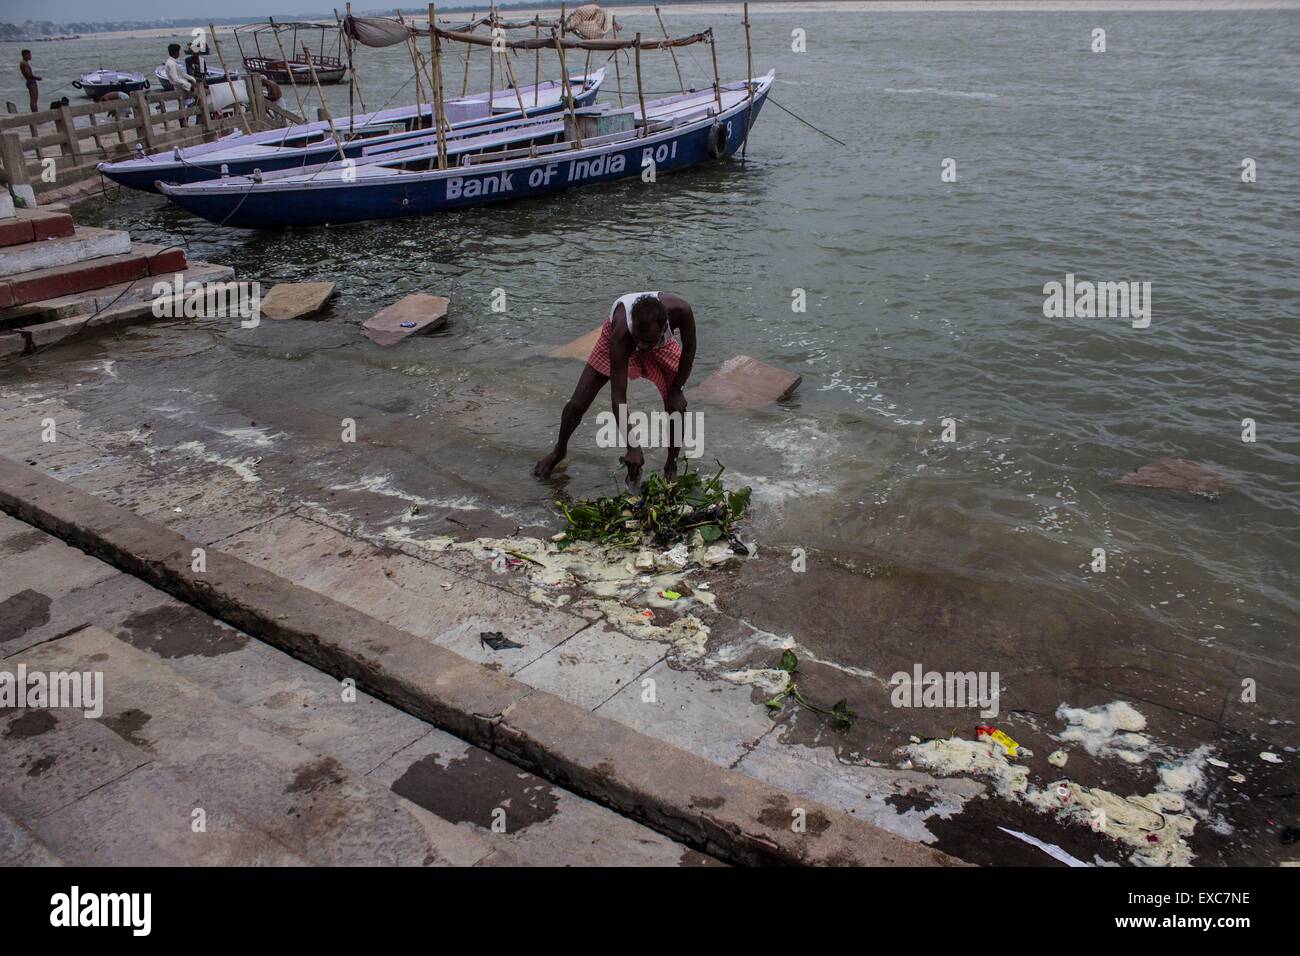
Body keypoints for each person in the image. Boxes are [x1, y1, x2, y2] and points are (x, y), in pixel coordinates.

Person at [535, 292, 696, 484]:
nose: (642, 347)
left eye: (648, 342)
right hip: (623, 341)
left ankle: (671, 465)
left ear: (665, 327)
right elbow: (618, 397)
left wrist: (677, 388)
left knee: (676, 405)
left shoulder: (682, 311)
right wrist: (632, 446)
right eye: (639, 340)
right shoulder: (621, 334)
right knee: (578, 403)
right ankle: (559, 451)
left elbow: (690, 349)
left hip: (661, 346)